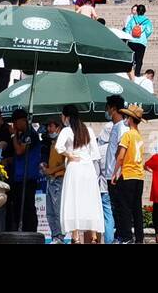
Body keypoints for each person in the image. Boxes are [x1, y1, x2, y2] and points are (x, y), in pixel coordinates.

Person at [55, 105, 104, 244]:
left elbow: (59, 147)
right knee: (89, 199)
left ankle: (75, 236)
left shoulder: (66, 130)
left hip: (74, 167)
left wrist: (69, 155)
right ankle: (94, 236)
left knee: (73, 199)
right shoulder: (88, 130)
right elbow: (95, 153)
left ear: (66, 116)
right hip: (88, 168)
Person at [111, 103, 147, 244]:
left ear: (131, 119)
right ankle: (139, 238)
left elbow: (120, 156)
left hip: (128, 174)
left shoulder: (128, 135)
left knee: (124, 208)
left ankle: (126, 237)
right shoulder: (139, 136)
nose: (125, 119)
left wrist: (115, 173)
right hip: (139, 176)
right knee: (137, 208)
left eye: (127, 117)